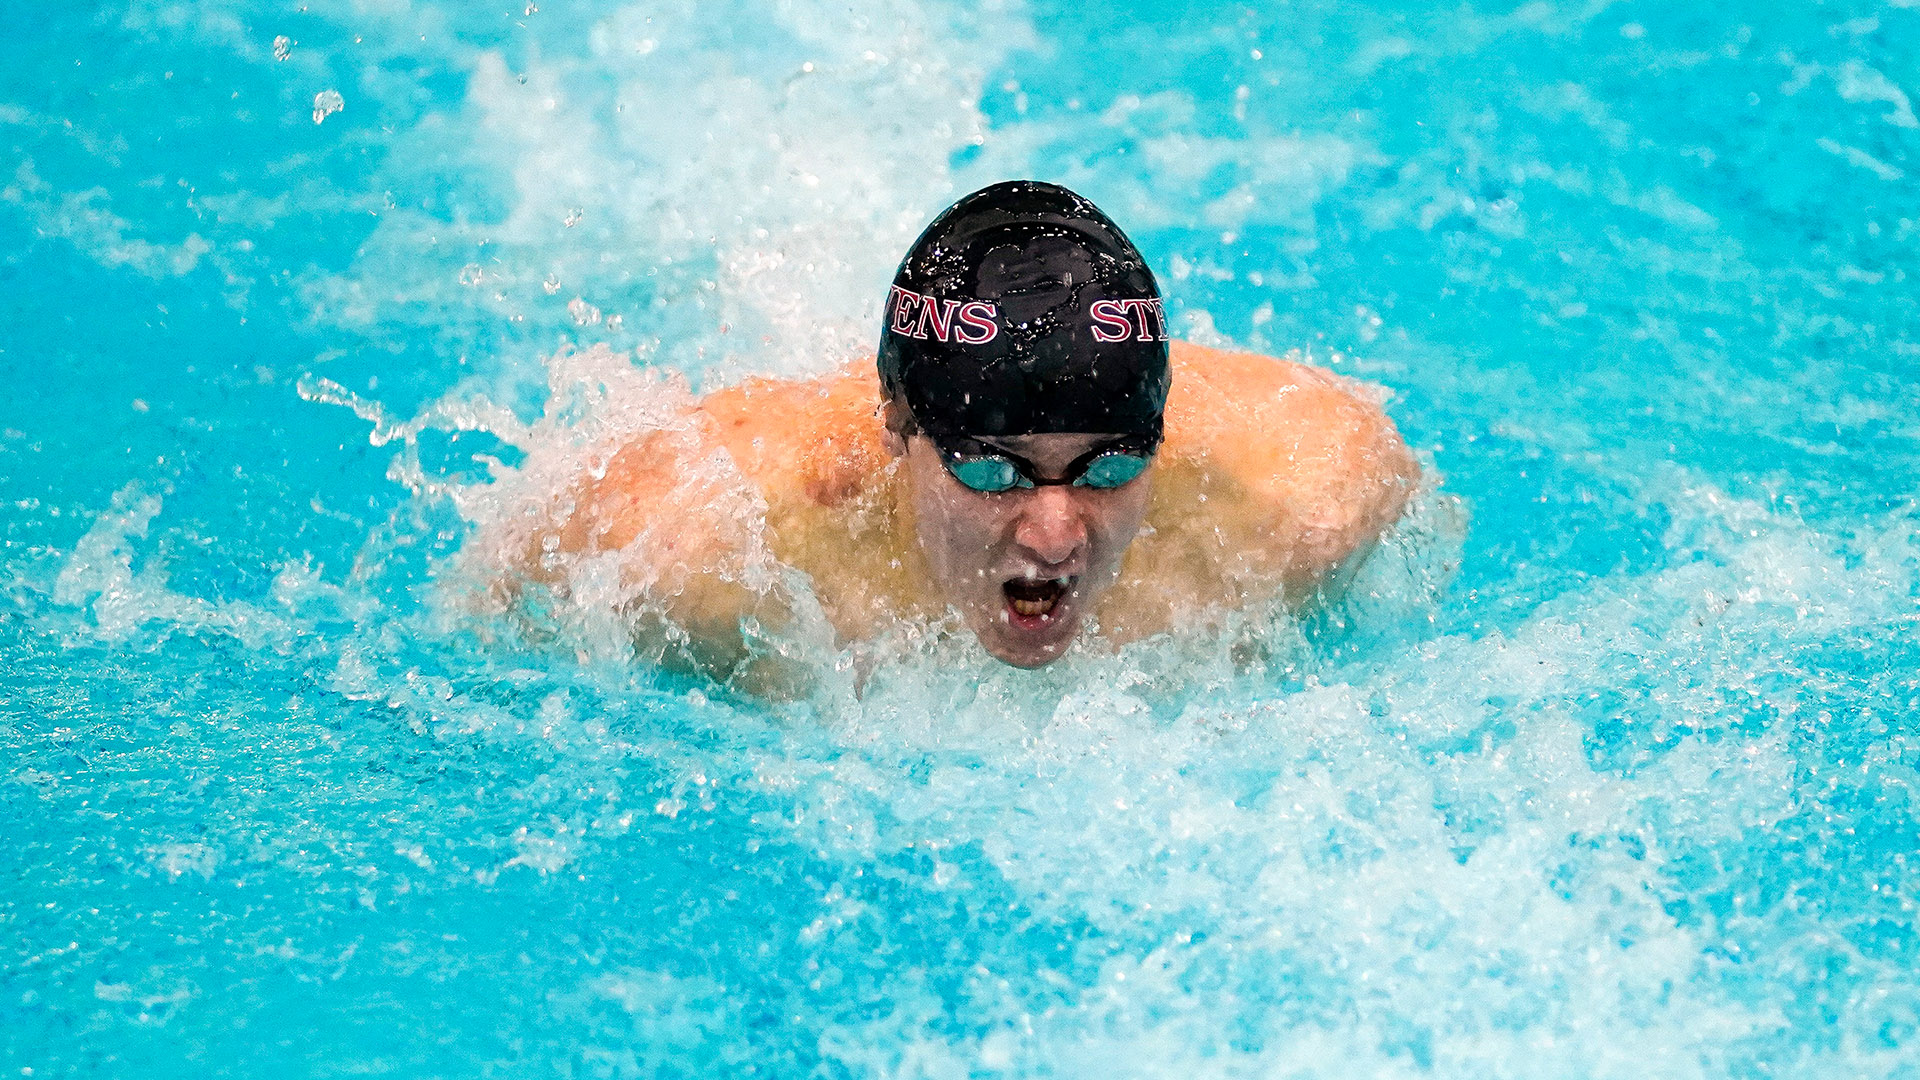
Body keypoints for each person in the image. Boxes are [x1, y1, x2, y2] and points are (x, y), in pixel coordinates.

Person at [496, 181, 1418, 689]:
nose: (1055, 534)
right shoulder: (701, 540)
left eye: (1110, 467)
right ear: (897, 428)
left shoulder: (1306, 497)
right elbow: (480, 626)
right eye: (991, 470)